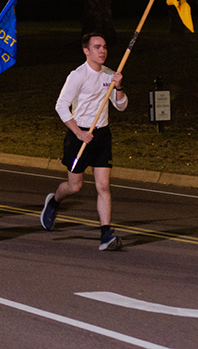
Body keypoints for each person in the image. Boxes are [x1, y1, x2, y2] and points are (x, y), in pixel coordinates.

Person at [40, 32, 127, 251]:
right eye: (97, 47)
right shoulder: (77, 75)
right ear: (86, 51)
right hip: (79, 136)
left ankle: (106, 234)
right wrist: (78, 132)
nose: (102, 51)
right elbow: (61, 105)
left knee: (103, 186)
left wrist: (118, 87)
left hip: (102, 135)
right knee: (74, 187)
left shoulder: (110, 74)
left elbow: (121, 106)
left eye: (104, 46)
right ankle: (54, 201)